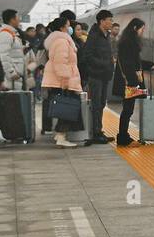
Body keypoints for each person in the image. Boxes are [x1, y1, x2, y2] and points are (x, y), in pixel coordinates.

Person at [41, 13, 85, 148]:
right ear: (62, 28)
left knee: (64, 107)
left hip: (60, 79)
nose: (70, 27)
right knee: (67, 108)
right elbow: (60, 62)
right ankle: (61, 136)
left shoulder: (60, 40)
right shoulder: (61, 41)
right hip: (63, 80)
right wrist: (65, 80)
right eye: (68, 25)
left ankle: (60, 135)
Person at [116, 18, 154, 147]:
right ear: (135, 28)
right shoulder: (129, 43)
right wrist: (133, 83)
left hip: (130, 80)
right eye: (142, 29)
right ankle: (123, 138)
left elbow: (136, 62)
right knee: (127, 110)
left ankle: (124, 137)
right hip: (129, 82)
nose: (142, 32)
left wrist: (150, 65)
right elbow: (128, 64)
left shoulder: (128, 42)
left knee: (128, 110)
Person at [79, 10, 115, 144]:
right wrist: (104, 64)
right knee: (96, 104)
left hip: (104, 75)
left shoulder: (106, 35)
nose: (111, 22)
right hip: (96, 75)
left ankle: (99, 131)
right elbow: (87, 56)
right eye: (109, 20)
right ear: (102, 21)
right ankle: (95, 133)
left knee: (101, 104)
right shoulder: (94, 36)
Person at [0, 8, 27, 92]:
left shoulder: (12, 34)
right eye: (18, 18)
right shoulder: (5, 35)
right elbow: (2, 56)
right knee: (11, 103)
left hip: (15, 79)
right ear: (12, 20)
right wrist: (11, 73)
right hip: (10, 80)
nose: (19, 21)